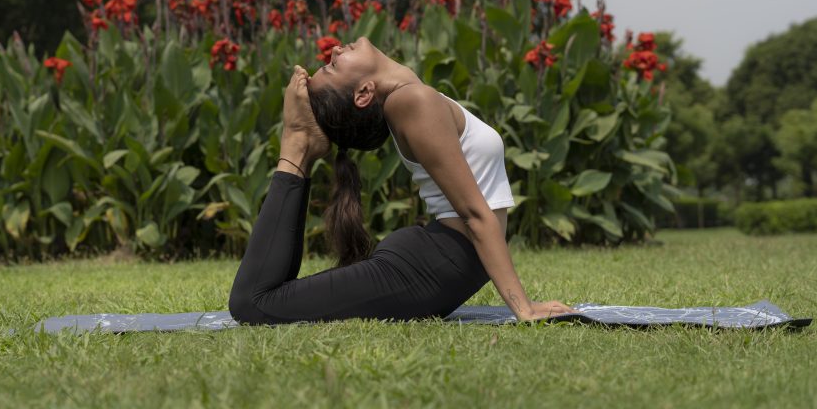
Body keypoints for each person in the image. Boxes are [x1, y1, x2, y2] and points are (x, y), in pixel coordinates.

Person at [228, 36, 577, 325]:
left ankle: (301, 145)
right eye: (333, 66)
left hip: (432, 260)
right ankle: (297, 145)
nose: (334, 50)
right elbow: (473, 213)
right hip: (430, 266)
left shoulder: (414, 98)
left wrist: (524, 303)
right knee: (253, 304)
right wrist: (524, 308)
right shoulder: (414, 101)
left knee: (269, 299)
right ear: (364, 93)